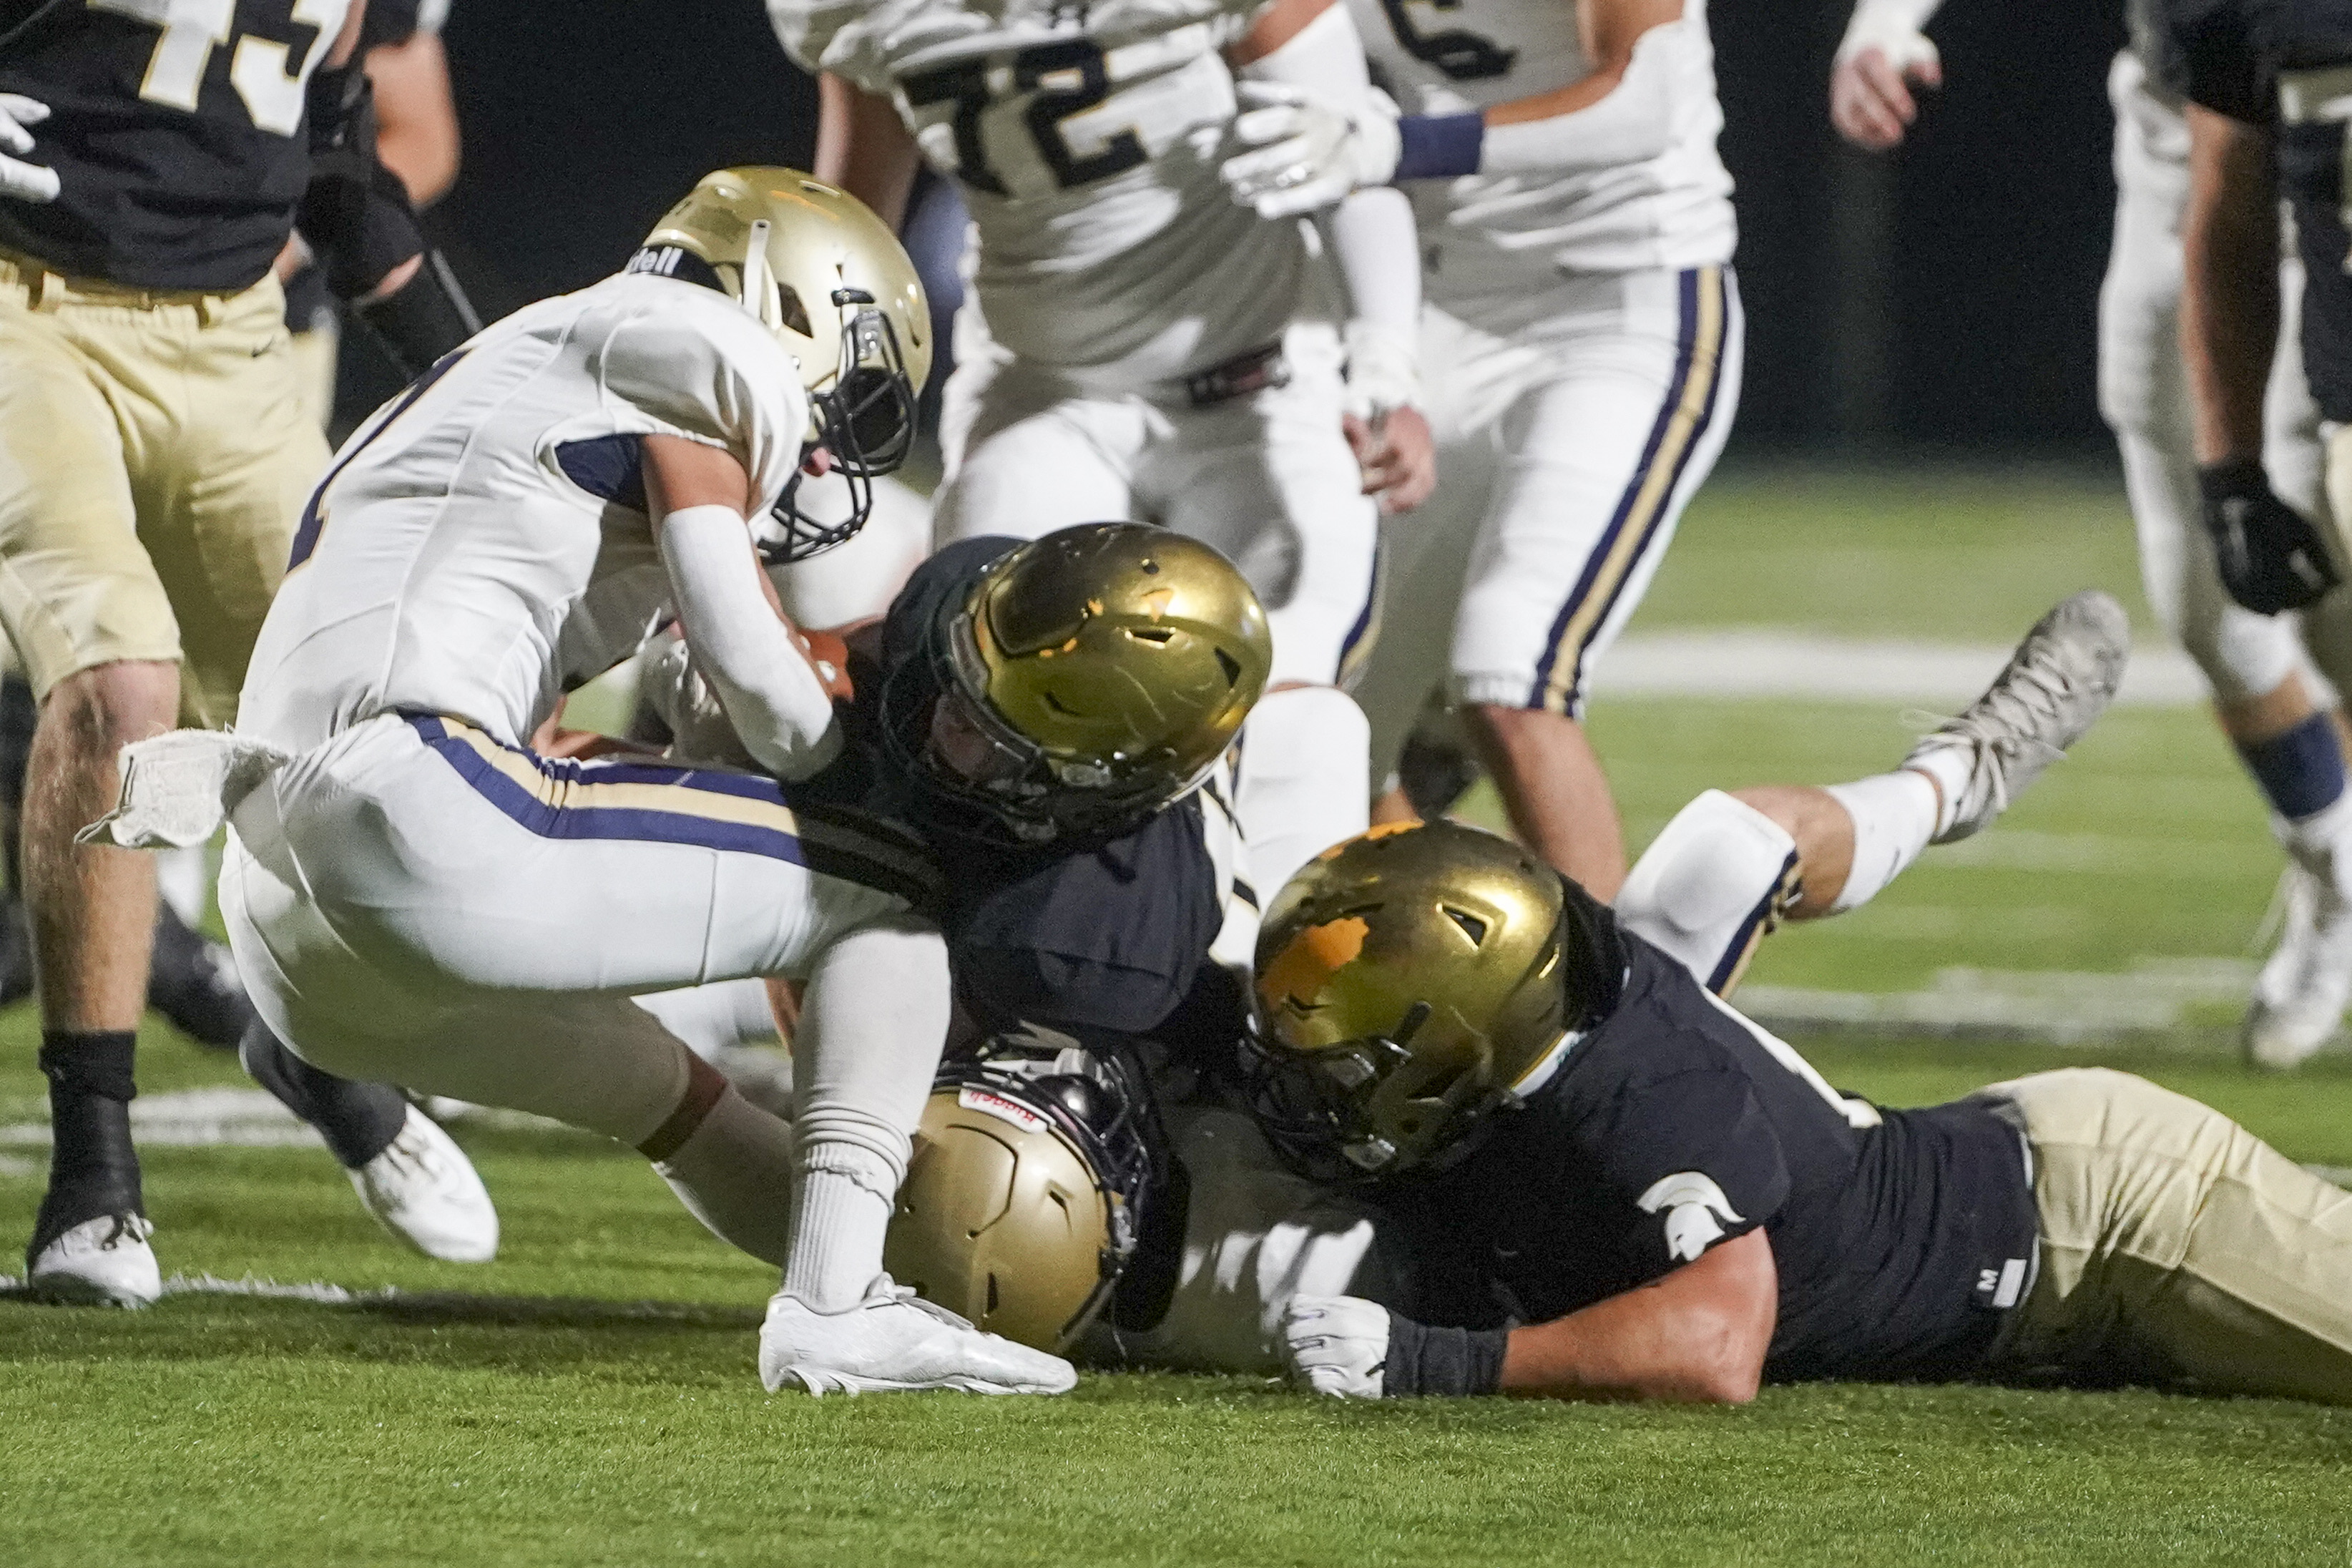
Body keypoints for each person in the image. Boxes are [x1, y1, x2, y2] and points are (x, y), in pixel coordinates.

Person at [881, 590, 2143, 1371]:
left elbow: (1305, 718)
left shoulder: (1140, 979)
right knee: (1713, 864)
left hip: (1400, 1062)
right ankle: (1941, 786)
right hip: (1447, 1151)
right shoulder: (1239, 1258)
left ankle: (1946, 783)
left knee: (1718, 856)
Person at [0, 0, 485, 1303]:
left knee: (362, 720)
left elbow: (338, 164)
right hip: (18, 306)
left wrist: (493, 391)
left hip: (233, 345)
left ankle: (309, 1045)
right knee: (120, 687)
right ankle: (93, 1175)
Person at [770, 0, 1433, 896]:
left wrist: (1385, 363)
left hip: (1260, 385)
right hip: (1046, 391)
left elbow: (1343, 148)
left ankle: (1267, 996)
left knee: (1289, 713)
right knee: (987, 700)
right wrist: (812, 390)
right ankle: (1018, 998)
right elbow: (858, 215)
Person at [1829, 2, 2352, 1069]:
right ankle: (2337, 861)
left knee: (2341, 587)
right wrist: (1884, 22)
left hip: (2329, 141)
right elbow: (2224, 167)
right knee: (2212, 608)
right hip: (2191, 153)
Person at [1220, 0, 1742, 898]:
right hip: (1433, 305)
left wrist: (1399, 147)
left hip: (1620, 300)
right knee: (1322, 712)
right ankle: (1404, 966)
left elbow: (1642, 102)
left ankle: (1607, 1026)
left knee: (1511, 669)